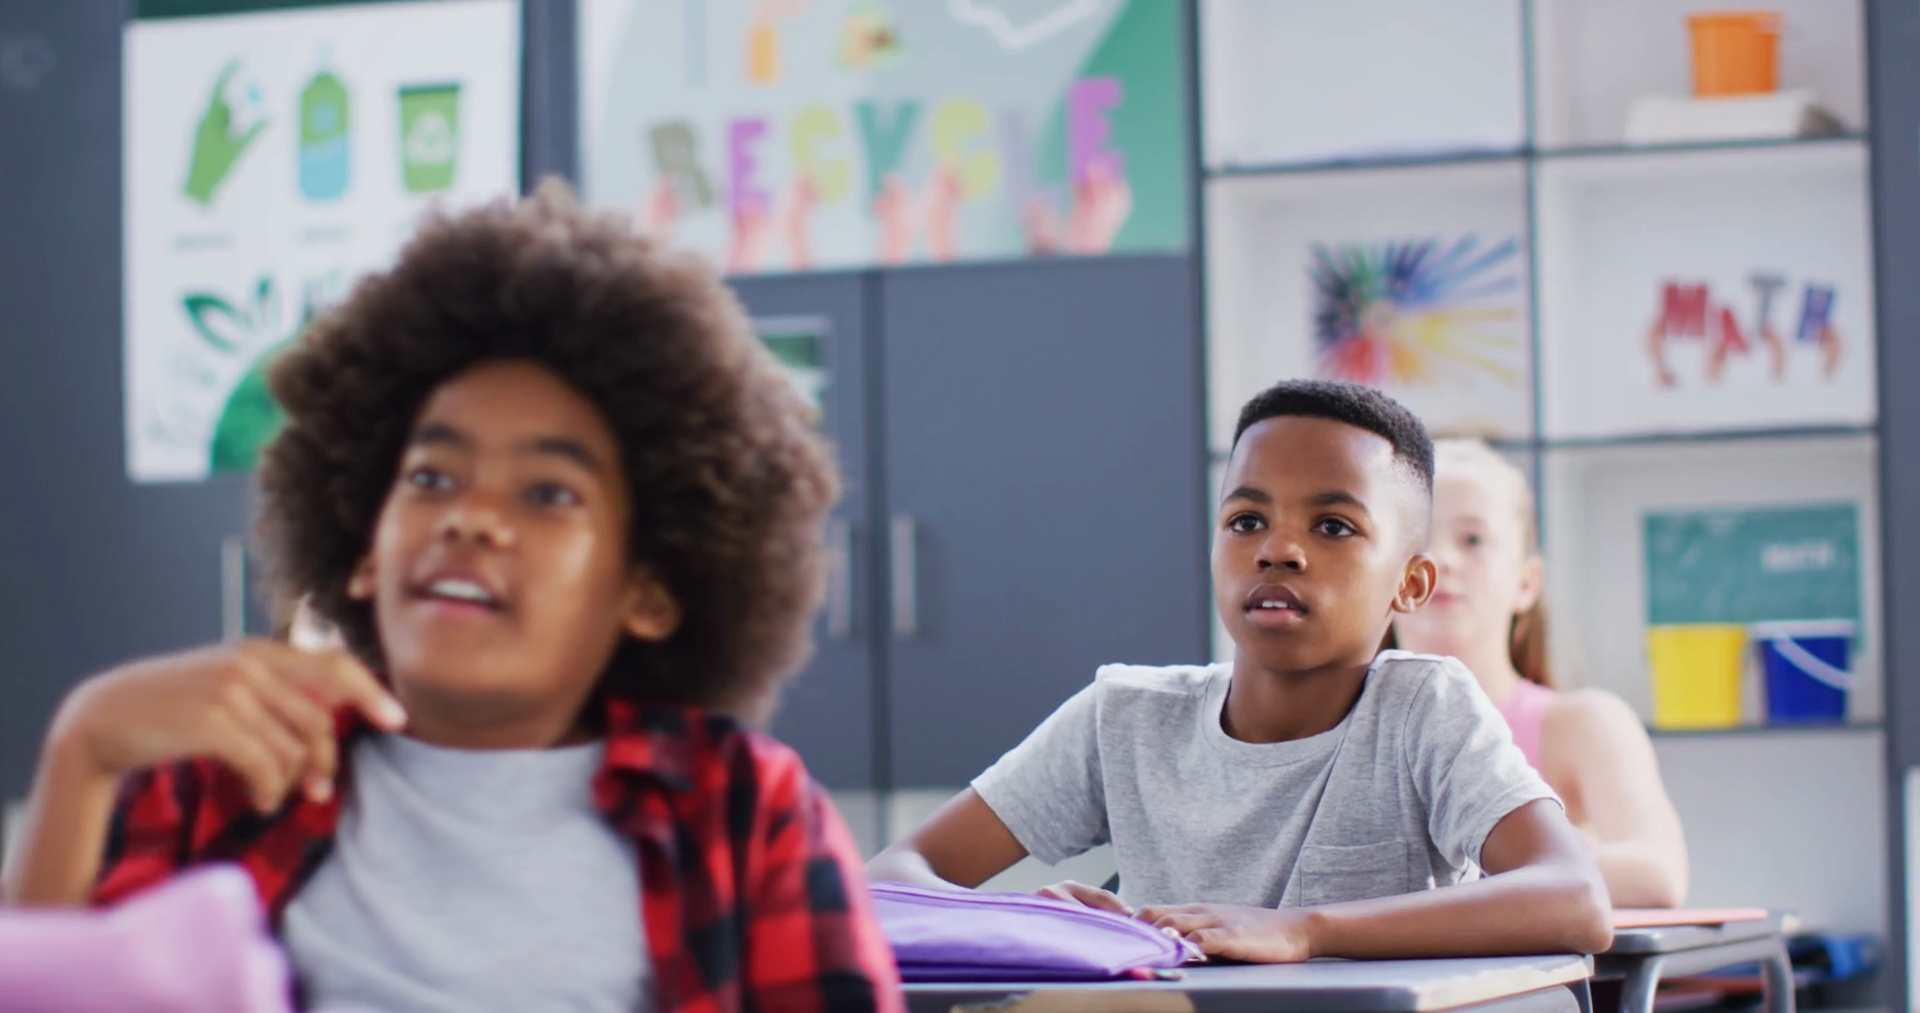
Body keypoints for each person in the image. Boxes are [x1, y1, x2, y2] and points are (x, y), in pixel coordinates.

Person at [2, 181, 901, 1013]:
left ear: (649, 590)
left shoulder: (740, 806)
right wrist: (85, 747)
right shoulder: (227, 777)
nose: (470, 517)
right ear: (362, 549)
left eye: (548, 492)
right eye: (431, 476)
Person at [868, 379, 1613, 963]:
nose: (1277, 550)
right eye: (1246, 520)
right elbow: (888, 879)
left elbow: (1574, 897)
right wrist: (1039, 921)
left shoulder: (1424, 709)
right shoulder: (1123, 715)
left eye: (1333, 526)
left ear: (1409, 585)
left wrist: (1304, 930)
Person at [1392, 439, 1688, 908]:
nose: (1442, 561)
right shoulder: (1341, 725)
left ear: (1526, 582)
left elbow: (1658, 876)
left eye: (1473, 540)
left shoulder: (1584, 725)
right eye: (1420, 540)